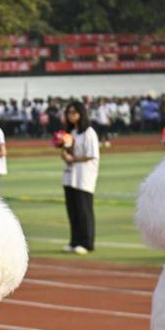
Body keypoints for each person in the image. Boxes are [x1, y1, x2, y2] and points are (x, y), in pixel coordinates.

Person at [60, 100, 99, 254]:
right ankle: (74, 241)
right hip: (70, 176)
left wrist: (74, 159)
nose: (71, 116)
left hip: (84, 176)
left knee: (84, 210)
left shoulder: (89, 133)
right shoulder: (72, 133)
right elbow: (68, 153)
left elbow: (91, 155)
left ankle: (87, 242)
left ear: (81, 114)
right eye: (68, 113)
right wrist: (64, 152)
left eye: (74, 113)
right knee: (73, 210)